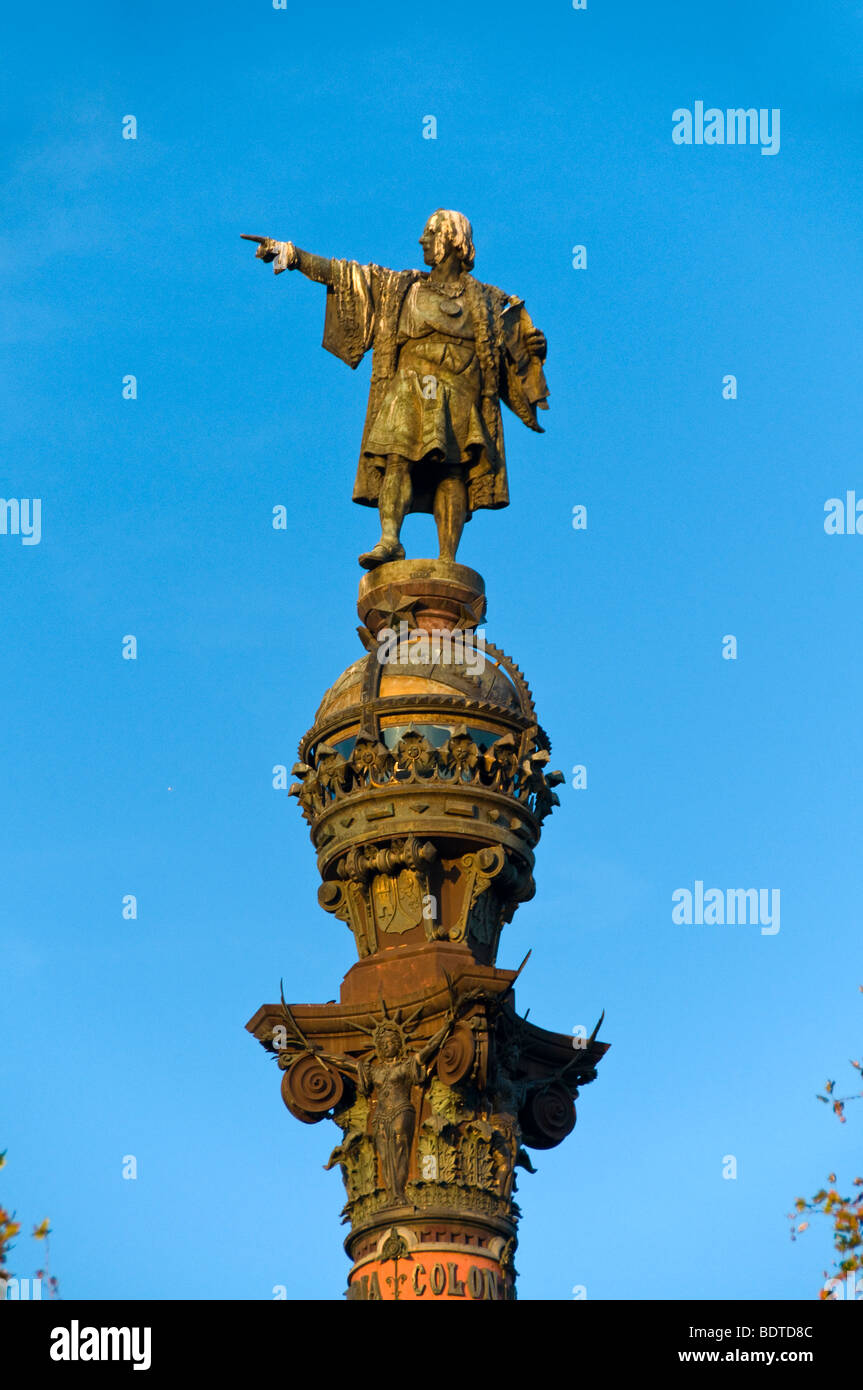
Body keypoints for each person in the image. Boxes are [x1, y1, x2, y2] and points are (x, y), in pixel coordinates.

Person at [246, 210, 549, 569]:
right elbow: (346, 275)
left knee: (453, 469)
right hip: (409, 386)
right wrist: (292, 256)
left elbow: (517, 355)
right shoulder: (400, 287)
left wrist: (535, 350)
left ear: (453, 240)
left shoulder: (486, 299)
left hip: (461, 390)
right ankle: (390, 540)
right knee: (396, 460)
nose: (422, 240)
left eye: (430, 233)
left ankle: (447, 560)